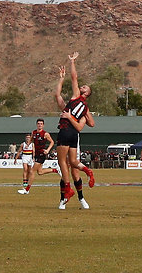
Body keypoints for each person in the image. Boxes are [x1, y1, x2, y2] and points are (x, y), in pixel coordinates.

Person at [55, 51, 95, 210]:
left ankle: (70, 191)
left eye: (84, 87)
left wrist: (72, 62)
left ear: (85, 93)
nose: (81, 86)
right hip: (73, 135)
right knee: (71, 164)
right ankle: (65, 197)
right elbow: (58, 95)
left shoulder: (76, 99)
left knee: (63, 165)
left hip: (67, 131)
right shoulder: (83, 108)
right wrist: (61, 78)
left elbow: (74, 78)